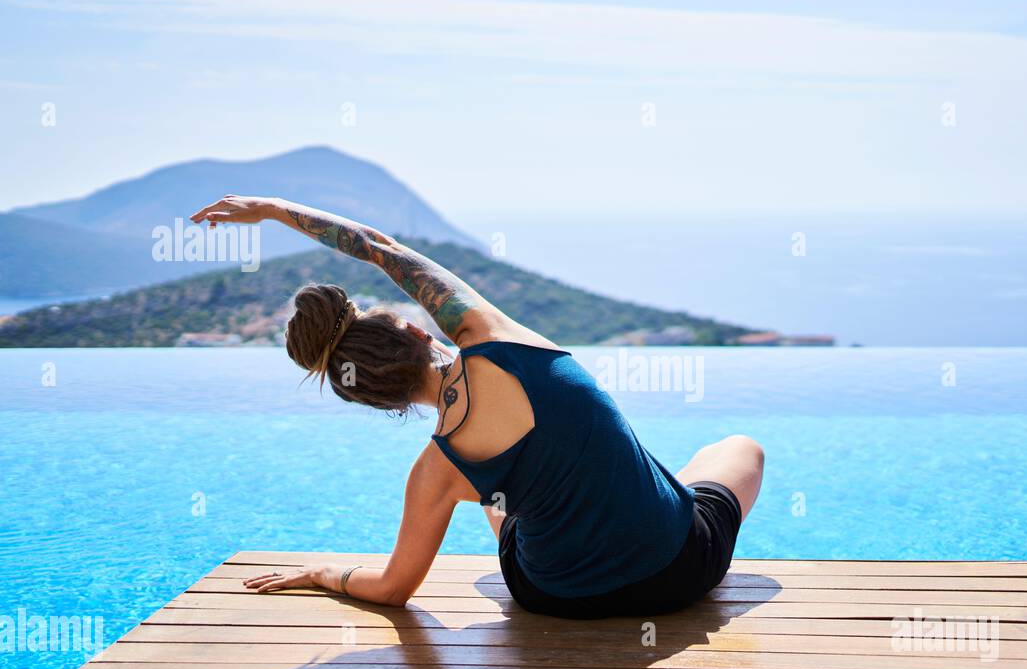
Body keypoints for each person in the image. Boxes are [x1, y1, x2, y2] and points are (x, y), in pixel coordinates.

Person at [189, 196, 764, 619]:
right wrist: (270, 209)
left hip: (554, 598)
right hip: (677, 570)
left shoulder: (435, 470)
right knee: (738, 450)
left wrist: (322, 574)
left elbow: (392, 588)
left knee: (501, 497)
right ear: (415, 331)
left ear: (374, 398)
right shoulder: (496, 339)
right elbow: (378, 248)